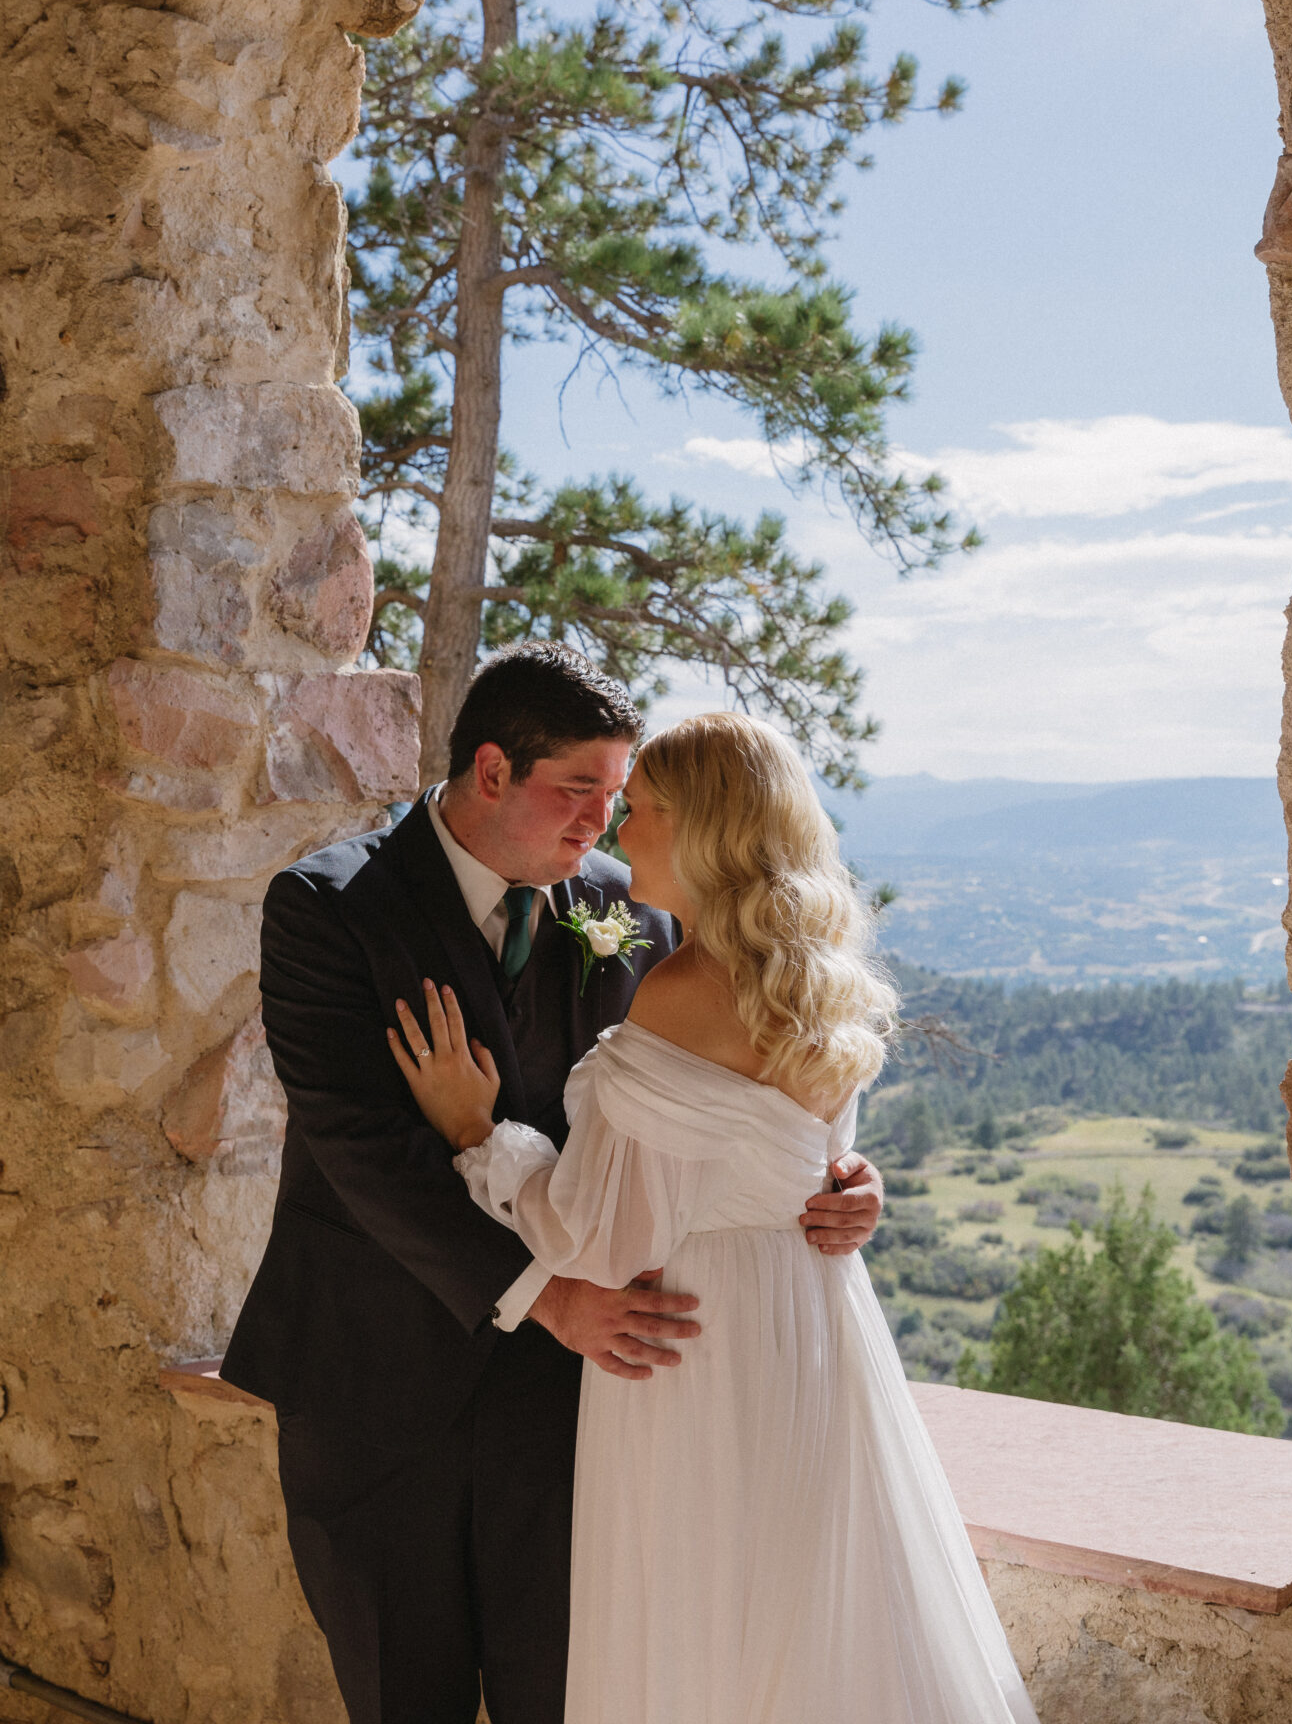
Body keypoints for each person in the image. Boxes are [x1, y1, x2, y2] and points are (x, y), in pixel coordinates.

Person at [220, 644, 883, 1724]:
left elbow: (720, 1095)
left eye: (620, 799)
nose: (603, 829)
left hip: (580, 1409)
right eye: (580, 793)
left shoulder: (620, 909)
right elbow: (362, 1148)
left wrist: (839, 1174)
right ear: (492, 772)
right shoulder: (331, 906)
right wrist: (549, 1293)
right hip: (381, 1387)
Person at [390, 711, 1041, 1724]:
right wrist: (853, 1190)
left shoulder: (680, 991)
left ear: (700, 830)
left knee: (696, 1624)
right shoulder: (818, 984)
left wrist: (484, 1137)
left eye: (639, 809)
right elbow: (818, 1172)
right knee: (812, 1612)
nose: (617, 833)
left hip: (691, 1343)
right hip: (813, 1333)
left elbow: (595, 1238)